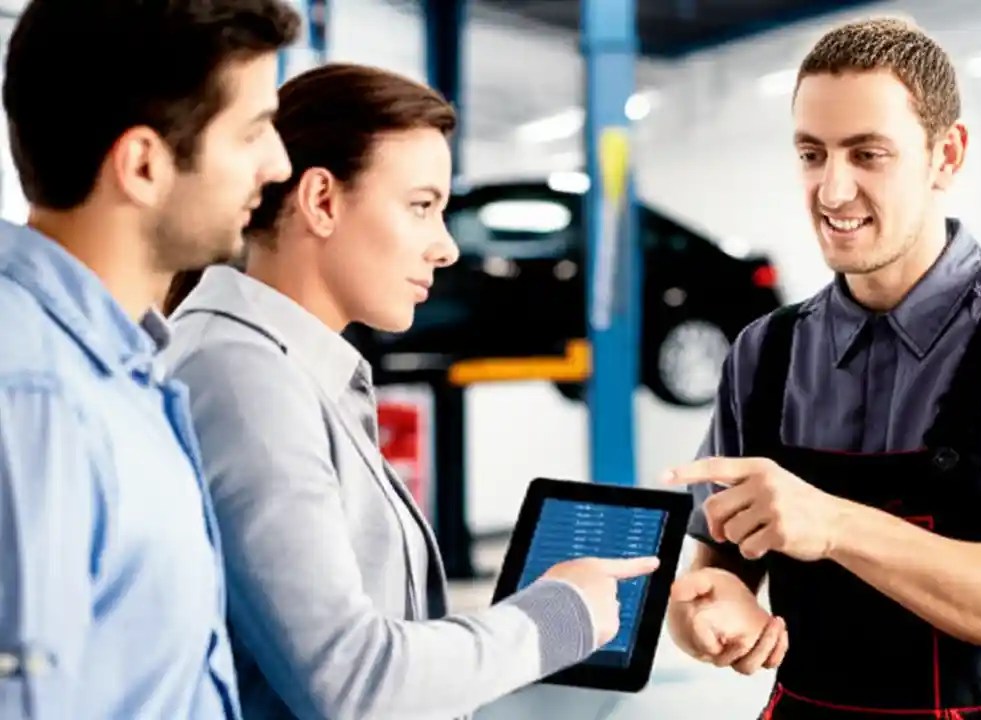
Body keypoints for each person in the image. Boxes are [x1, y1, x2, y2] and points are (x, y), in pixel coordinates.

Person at [661, 17, 981, 719]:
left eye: (868, 154)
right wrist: (703, 616)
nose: (831, 190)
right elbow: (716, 575)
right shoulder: (765, 355)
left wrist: (836, 526)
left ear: (946, 156)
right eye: (812, 154)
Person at [159, 63, 659, 720]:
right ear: (322, 201)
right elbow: (355, 679)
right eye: (422, 206)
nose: (446, 247)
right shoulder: (243, 379)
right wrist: (555, 617)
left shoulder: (287, 369)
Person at [0, 1, 297, 718]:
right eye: (253, 131)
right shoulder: (36, 396)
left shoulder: (122, 368)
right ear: (142, 165)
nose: (279, 162)